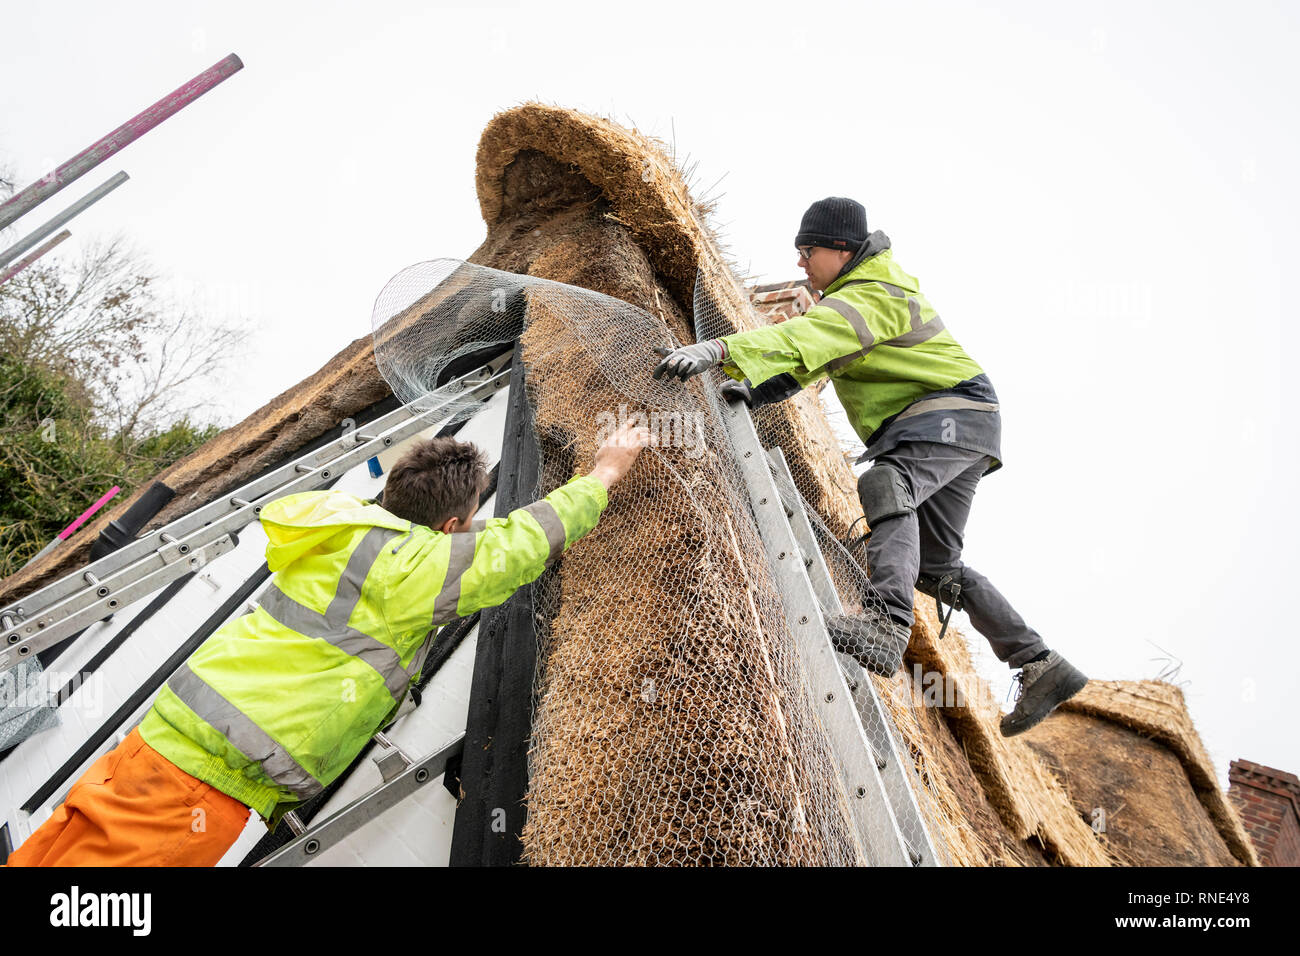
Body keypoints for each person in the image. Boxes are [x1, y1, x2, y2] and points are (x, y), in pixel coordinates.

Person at [7, 420, 651, 866]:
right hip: (198, 789)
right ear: (450, 526)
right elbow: (519, 546)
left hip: (152, 750)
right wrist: (604, 472)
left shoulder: (341, 537)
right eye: (466, 525)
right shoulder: (409, 566)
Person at [653, 197, 1086, 737]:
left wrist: (716, 350)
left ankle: (885, 625)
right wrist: (756, 390)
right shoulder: (854, 300)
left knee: (888, 482)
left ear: (840, 249)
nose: (800, 263)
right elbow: (817, 359)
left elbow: (802, 338)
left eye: (806, 251)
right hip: (964, 425)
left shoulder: (874, 292)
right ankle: (1037, 662)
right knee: (935, 567)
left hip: (943, 414)